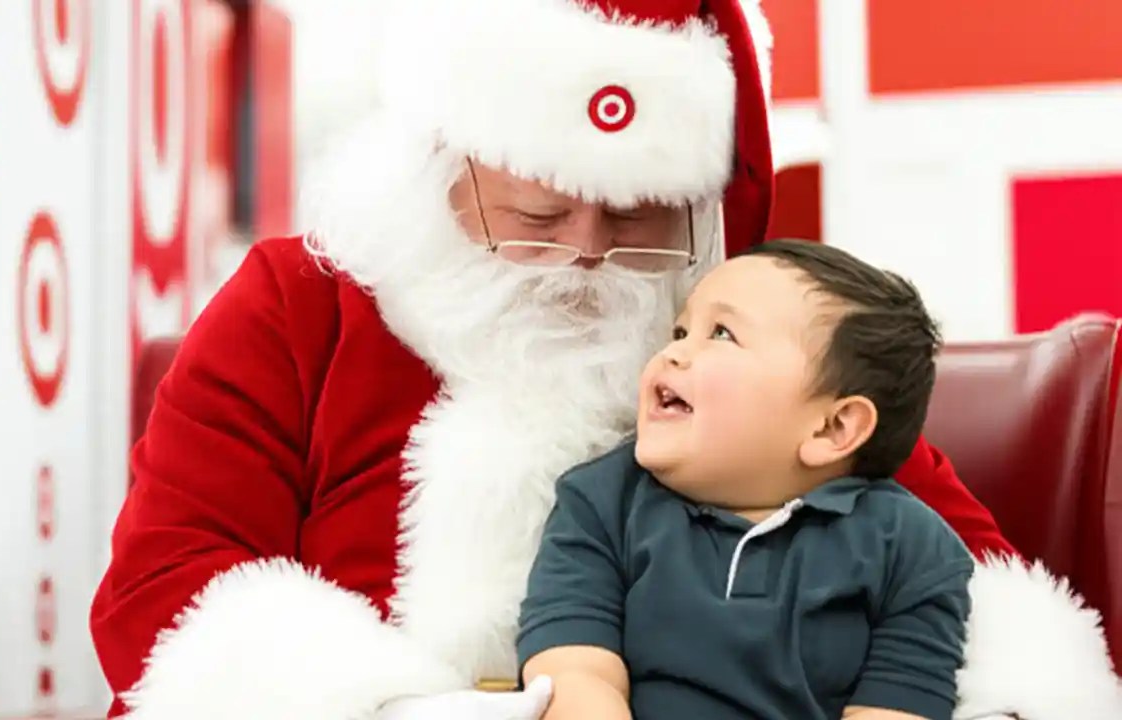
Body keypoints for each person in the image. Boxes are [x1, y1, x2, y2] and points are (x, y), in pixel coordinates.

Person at [89, 1, 1121, 718]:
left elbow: (964, 573)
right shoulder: (298, 302)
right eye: (536, 211)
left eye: (635, 217)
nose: (584, 252)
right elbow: (170, 588)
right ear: (441, 166)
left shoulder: (734, 334)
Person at [519, 240, 971, 720]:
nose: (674, 352)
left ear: (832, 428)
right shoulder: (599, 504)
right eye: (680, 330)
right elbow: (574, 676)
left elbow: (894, 711)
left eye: (721, 334)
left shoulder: (914, 551)